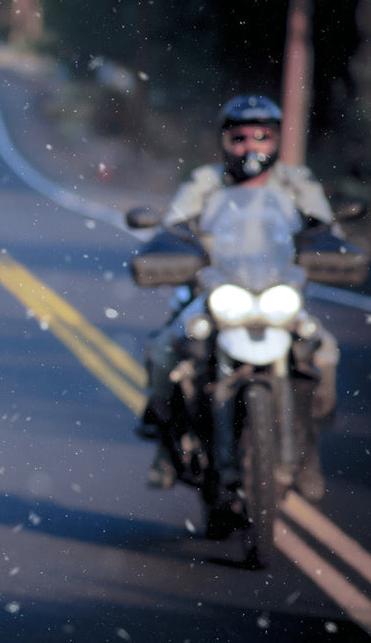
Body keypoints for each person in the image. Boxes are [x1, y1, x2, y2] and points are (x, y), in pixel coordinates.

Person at [140, 94, 339, 501]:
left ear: (276, 140)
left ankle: (308, 452)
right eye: (240, 137)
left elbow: (325, 231)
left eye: (262, 137)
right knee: (164, 351)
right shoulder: (206, 181)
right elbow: (173, 227)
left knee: (325, 353)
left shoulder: (295, 181)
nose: (251, 147)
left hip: (277, 292)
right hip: (217, 290)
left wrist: (332, 245)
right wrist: (170, 243)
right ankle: (166, 444)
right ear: (225, 141)